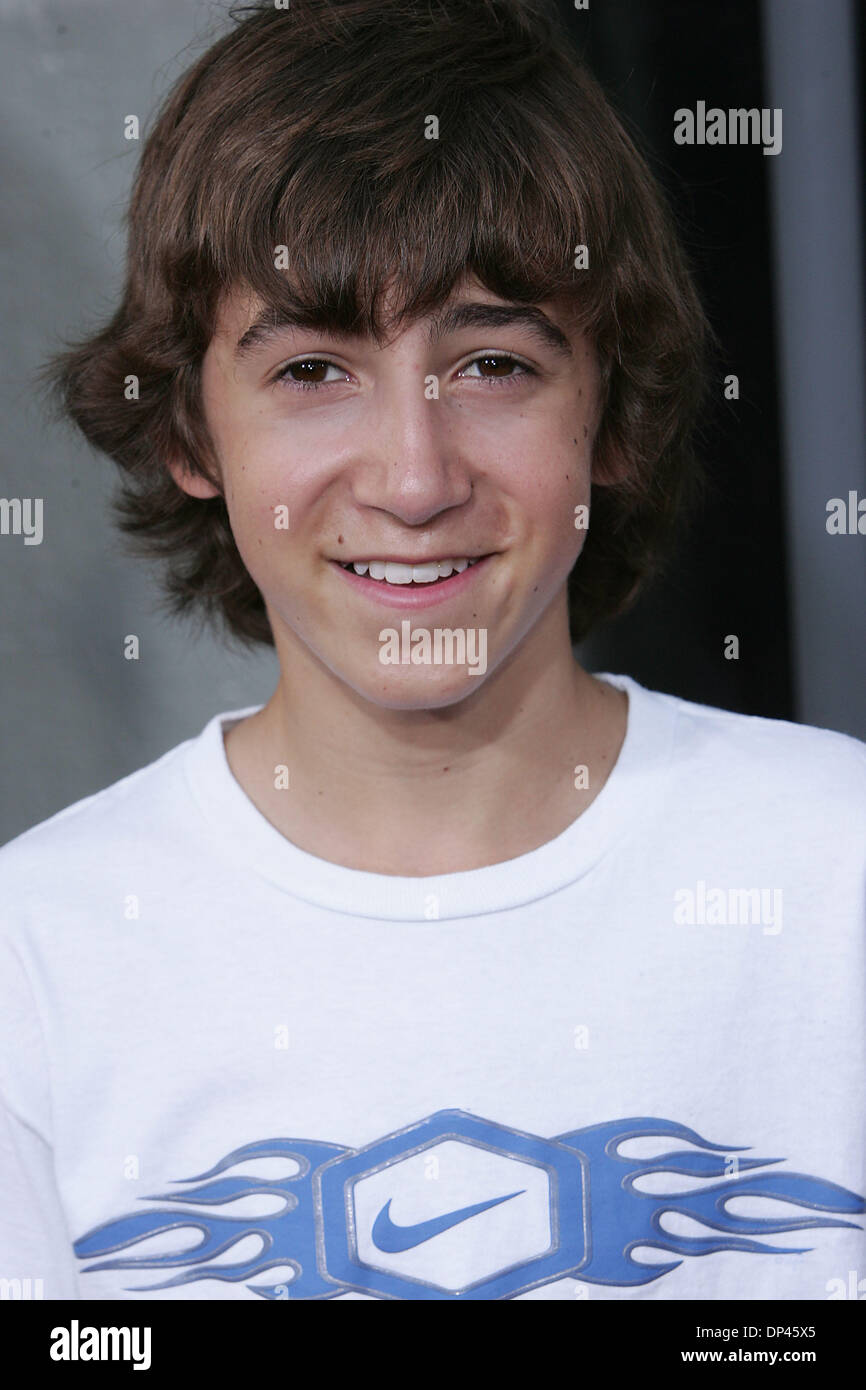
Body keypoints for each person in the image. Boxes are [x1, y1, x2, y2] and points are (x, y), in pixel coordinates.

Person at [1, 0, 863, 1303]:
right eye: (310, 371)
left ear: (612, 415)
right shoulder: (39, 964)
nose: (412, 476)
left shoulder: (838, 871)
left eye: (494, 364)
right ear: (189, 434)